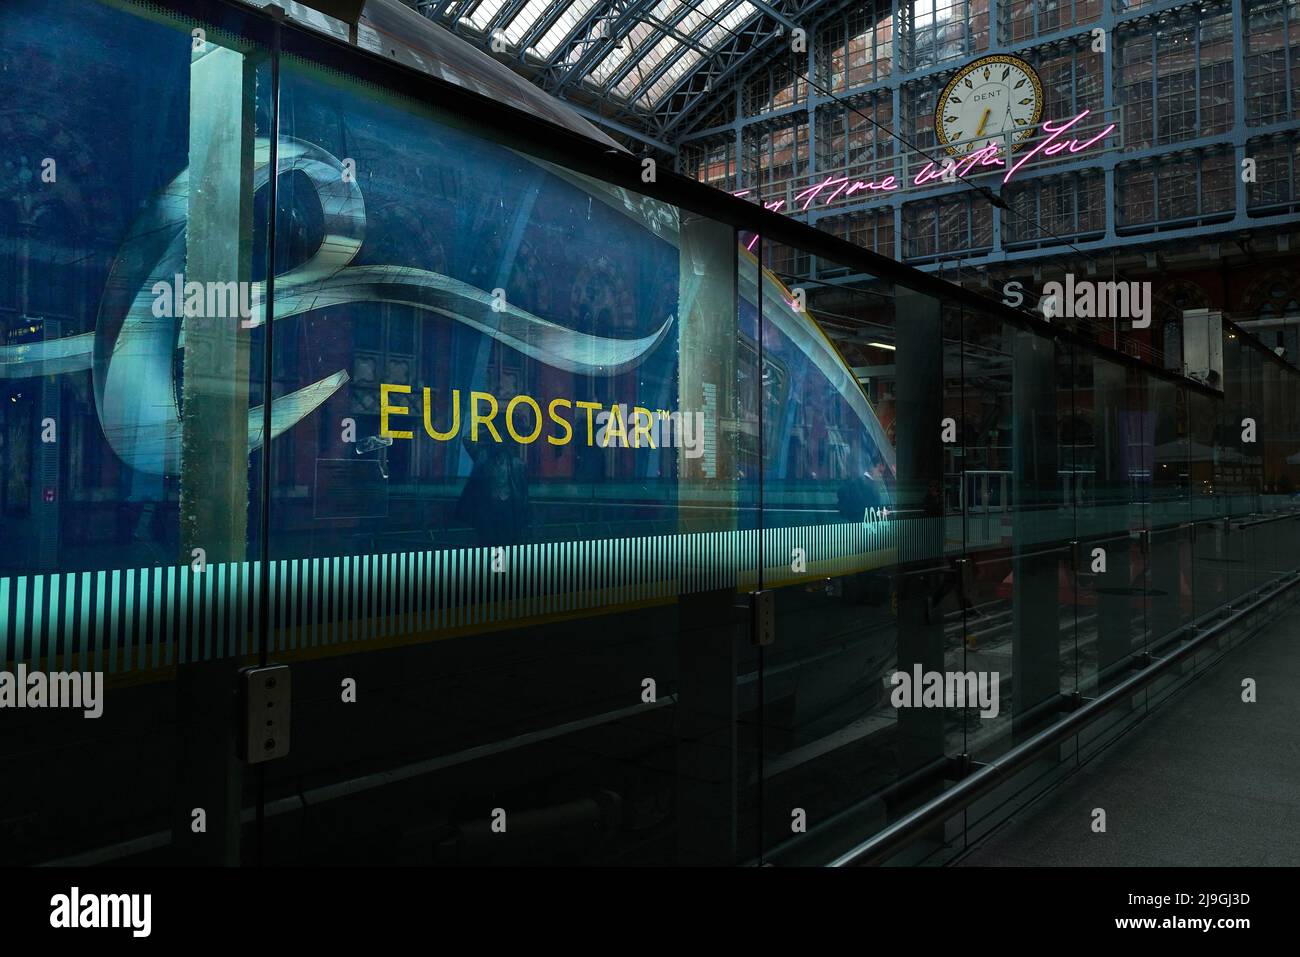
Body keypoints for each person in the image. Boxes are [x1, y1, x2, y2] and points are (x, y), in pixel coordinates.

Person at [455, 437, 531, 546]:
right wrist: (484, 426)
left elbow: (523, 494)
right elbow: (466, 439)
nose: (498, 443)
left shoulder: (516, 464)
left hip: (507, 509)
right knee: (488, 543)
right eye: (496, 440)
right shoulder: (483, 457)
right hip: (489, 509)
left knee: (506, 543)